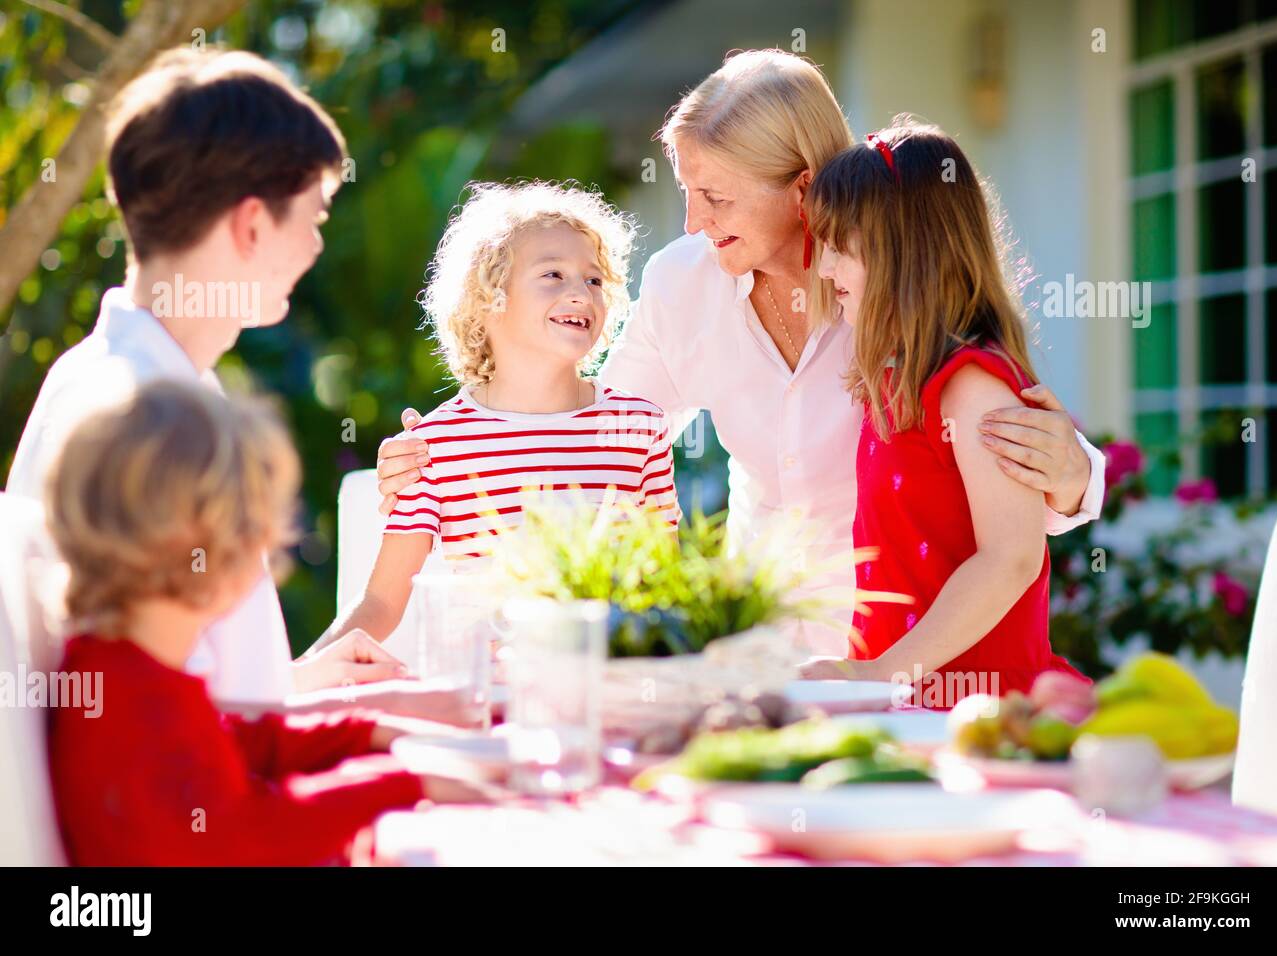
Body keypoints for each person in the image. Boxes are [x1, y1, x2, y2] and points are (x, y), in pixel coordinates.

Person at [373, 50, 1106, 657]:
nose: (693, 221)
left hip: (909, 650)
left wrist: (1075, 477)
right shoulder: (682, 285)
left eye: (715, 196)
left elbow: (993, 475)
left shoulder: (889, 288)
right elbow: (600, 439)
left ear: (802, 188)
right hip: (756, 648)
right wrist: (439, 453)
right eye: (689, 191)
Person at [7, 47, 403, 702]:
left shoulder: (115, 382)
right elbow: (163, 750)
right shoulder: (143, 418)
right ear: (252, 224)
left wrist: (304, 682)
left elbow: (175, 702)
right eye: (316, 217)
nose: (316, 245)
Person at [45, 381, 493, 866]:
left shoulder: (125, 666)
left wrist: (374, 735)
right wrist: (404, 783)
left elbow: (240, 743)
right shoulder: (127, 694)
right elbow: (244, 836)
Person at [797, 118, 1089, 703]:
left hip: (978, 712)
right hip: (911, 704)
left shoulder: (973, 387)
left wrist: (883, 675)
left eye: (837, 246)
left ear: (903, 248)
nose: (824, 270)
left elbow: (1010, 559)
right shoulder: (900, 379)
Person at [318, 181, 678, 649]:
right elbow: (382, 604)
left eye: (594, 280)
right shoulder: (434, 444)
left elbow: (666, 586)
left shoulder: (639, 428)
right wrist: (296, 682)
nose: (581, 294)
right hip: (488, 703)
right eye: (553, 274)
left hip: (613, 691)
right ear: (488, 298)